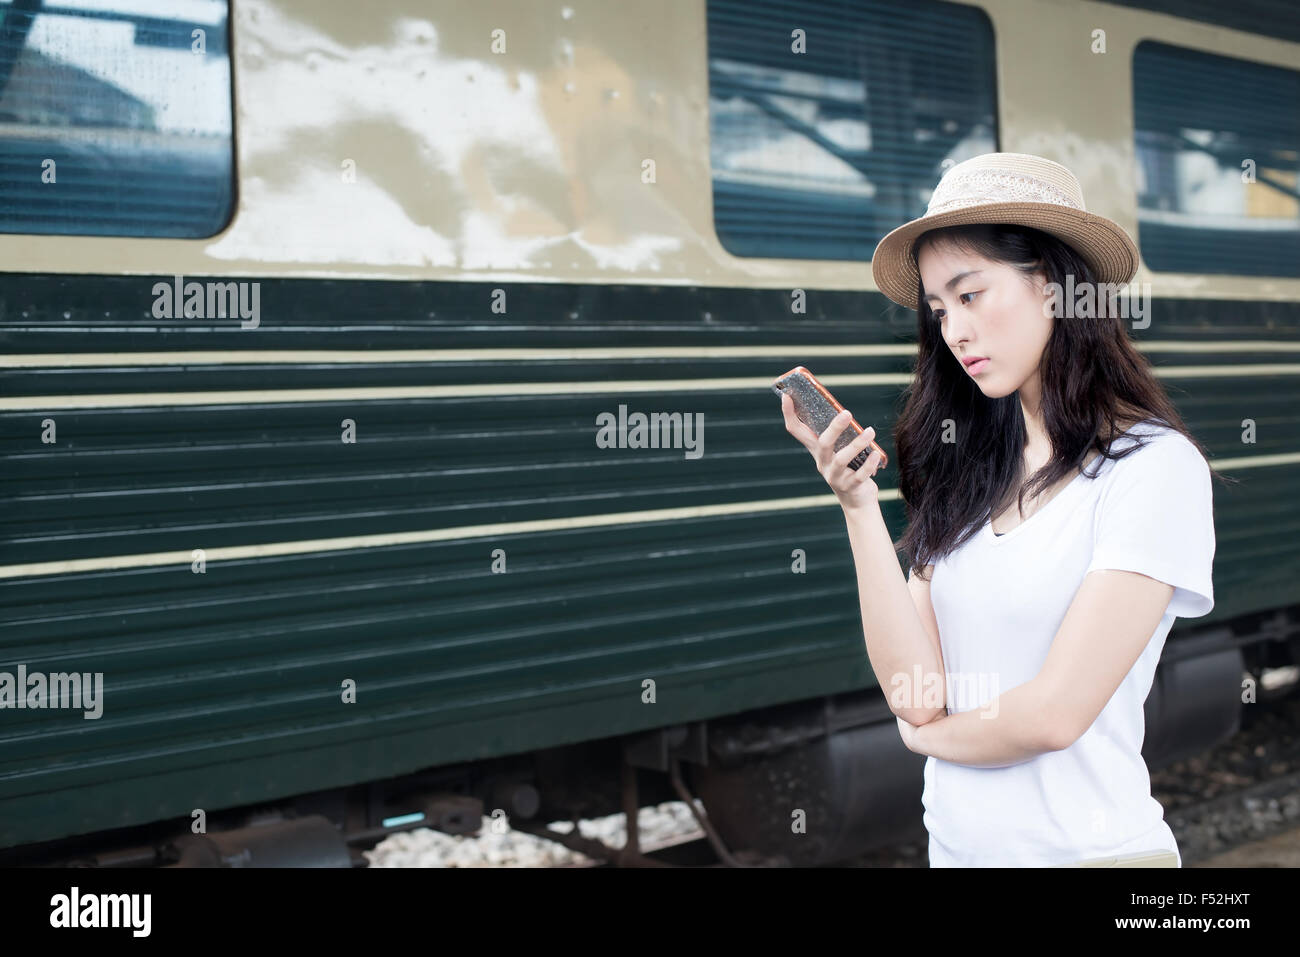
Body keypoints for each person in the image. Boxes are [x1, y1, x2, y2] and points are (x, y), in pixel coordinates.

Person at [779, 152, 1222, 867]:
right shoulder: (970, 470)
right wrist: (857, 505)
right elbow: (914, 694)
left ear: (1052, 287)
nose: (953, 330)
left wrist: (928, 740)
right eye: (939, 308)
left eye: (971, 294)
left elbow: (1052, 714)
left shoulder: (1154, 468)